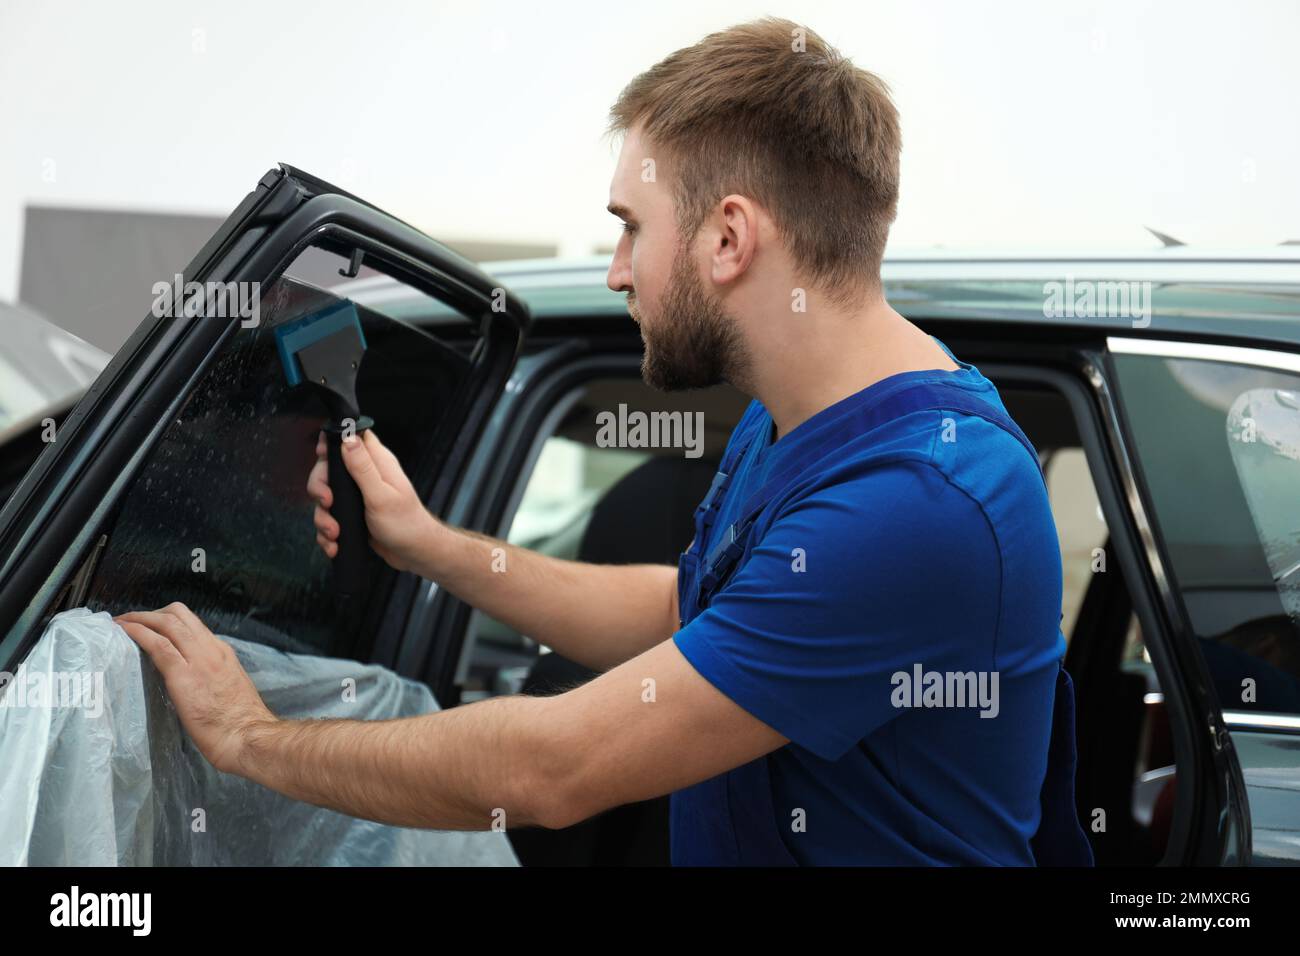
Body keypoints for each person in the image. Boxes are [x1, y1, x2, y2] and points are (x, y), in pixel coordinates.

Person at [119, 17, 1088, 865]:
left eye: (631, 227)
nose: (619, 270)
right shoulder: (797, 420)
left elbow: (553, 768)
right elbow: (684, 607)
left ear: (728, 238)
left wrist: (250, 736)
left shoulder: (918, 500)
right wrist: (434, 547)